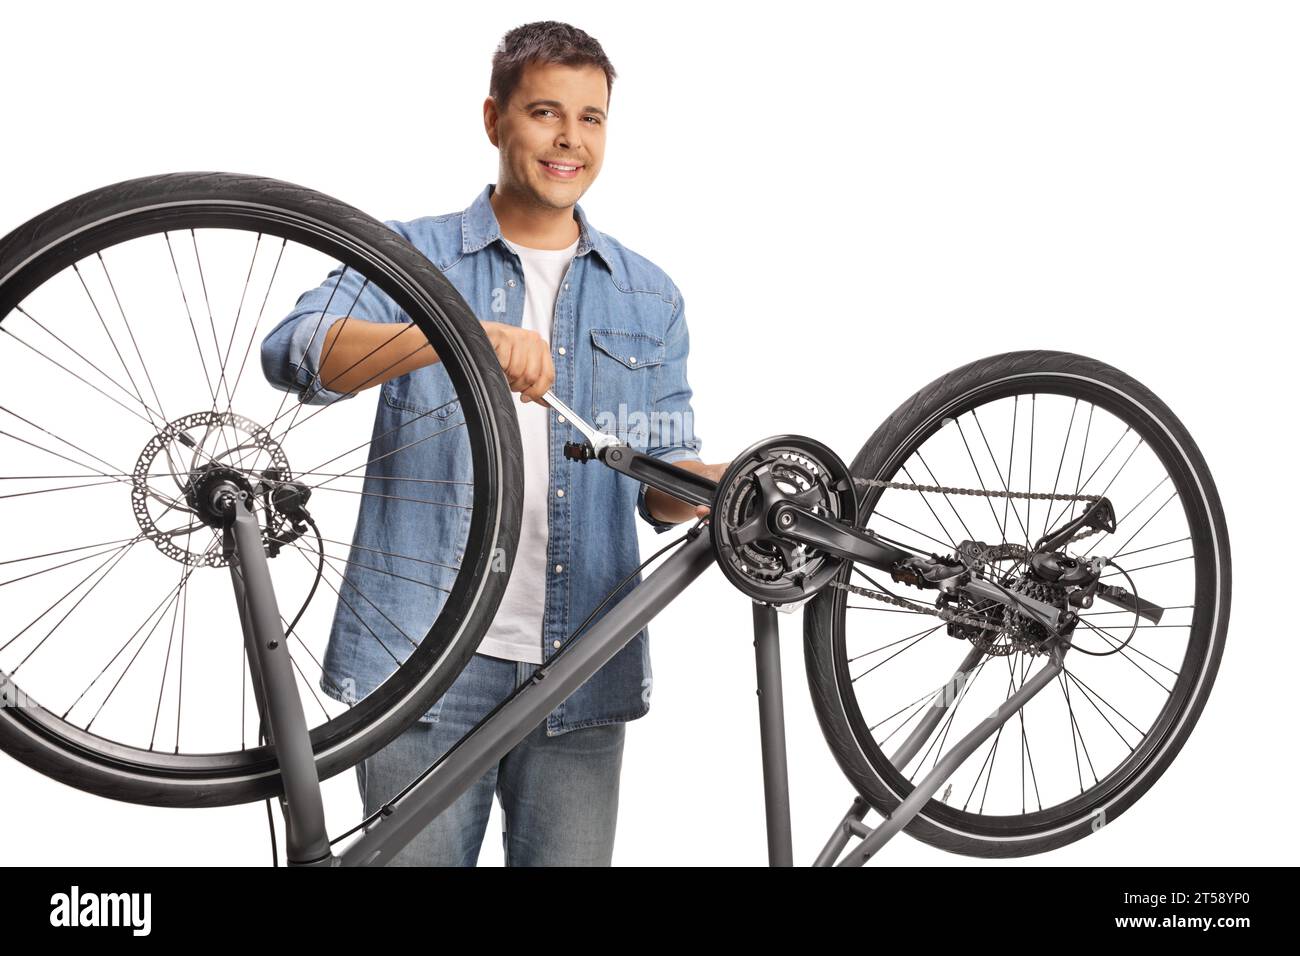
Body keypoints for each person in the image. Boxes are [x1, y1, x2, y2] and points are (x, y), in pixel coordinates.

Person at [259, 20, 727, 866]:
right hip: (425, 666)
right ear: (494, 119)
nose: (569, 140)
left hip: (582, 669)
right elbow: (296, 349)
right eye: (546, 112)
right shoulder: (415, 254)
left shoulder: (651, 295)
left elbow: (660, 482)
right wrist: (457, 333)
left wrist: (715, 484)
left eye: (591, 118)